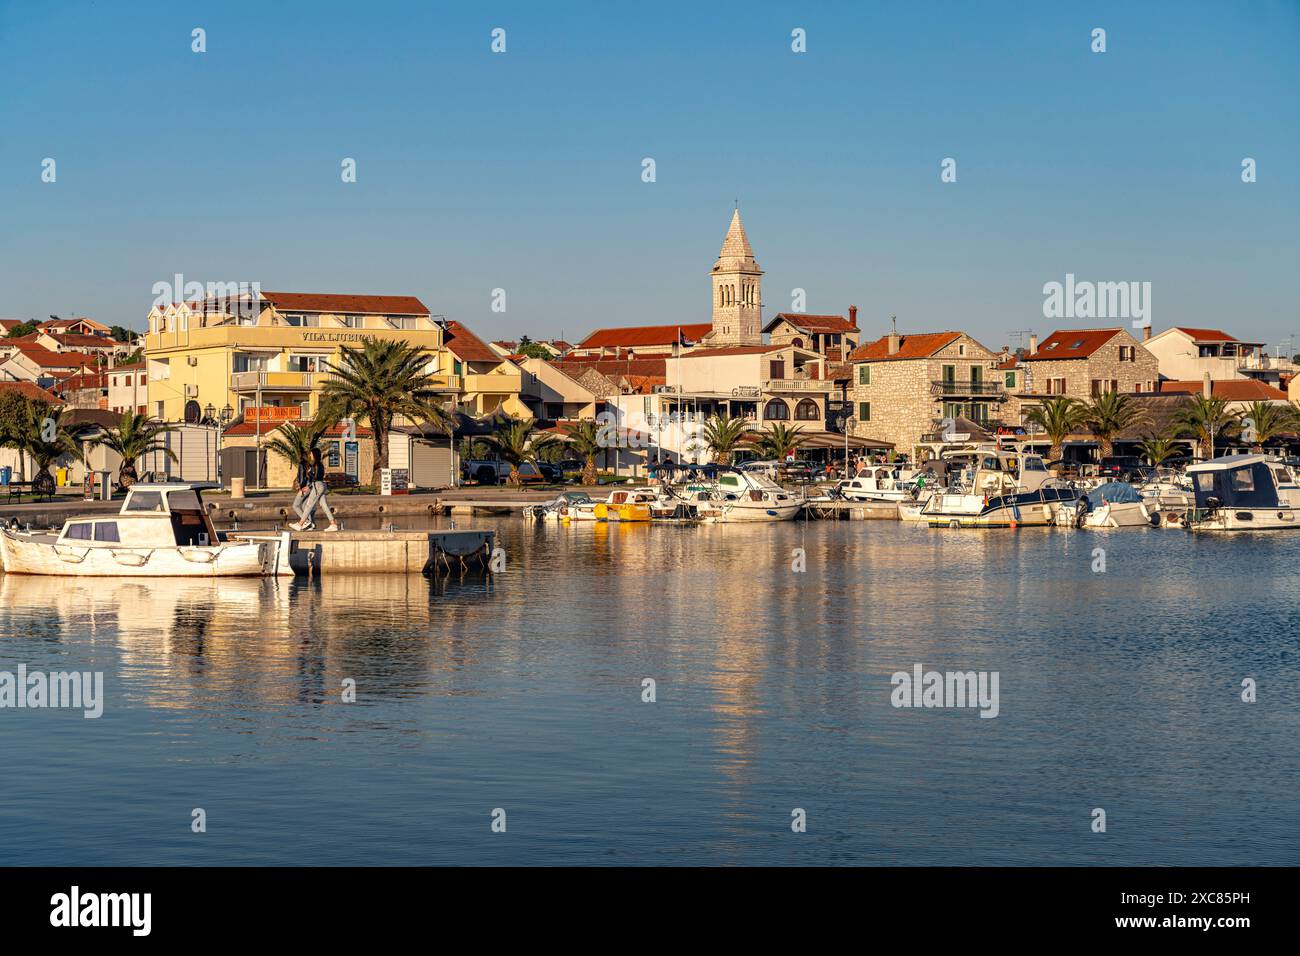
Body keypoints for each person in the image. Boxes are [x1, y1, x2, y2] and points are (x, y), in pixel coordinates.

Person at [292, 448, 339, 532]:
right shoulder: (319, 464)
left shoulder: (316, 465)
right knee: (324, 505)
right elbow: (320, 476)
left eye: (311, 454)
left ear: (314, 454)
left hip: (317, 485)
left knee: (309, 505)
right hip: (321, 485)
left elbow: (316, 477)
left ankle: (300, 524)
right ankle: (333, 523)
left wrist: (310, 473)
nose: (310, 455)